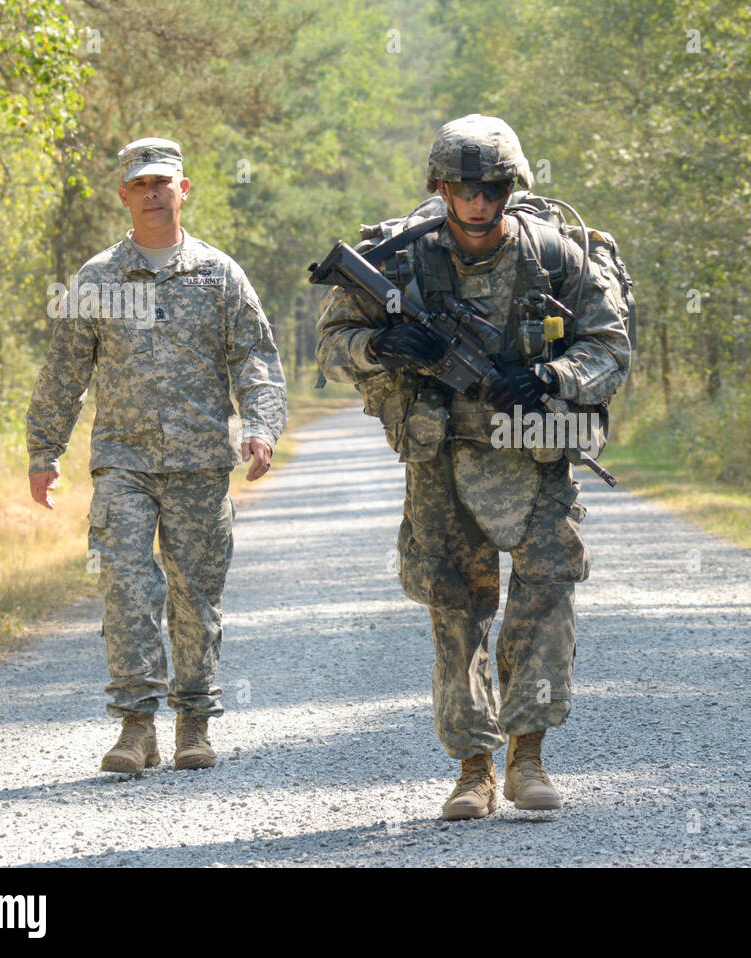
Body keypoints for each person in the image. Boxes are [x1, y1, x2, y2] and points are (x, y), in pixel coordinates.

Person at [315, 114, 630, 819]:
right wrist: (383, 347)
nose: (479, 203)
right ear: (441, 188)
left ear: (511, 189)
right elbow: (331, 347)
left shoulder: (556, 258)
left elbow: (610, 349)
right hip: (442, 457)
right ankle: (473, 771)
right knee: (456, 611)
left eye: (493, 189)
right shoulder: (400, 261)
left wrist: (549, 377)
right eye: (465, 190)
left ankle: (529, 759)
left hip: (535, 452)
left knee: (545, 598)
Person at [26, 137, 287, 773]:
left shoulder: (219, 274)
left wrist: (260, 426)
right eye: (140, 185)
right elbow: (64, 372)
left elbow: (255, 357)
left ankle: (193, 723)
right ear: (124, 195)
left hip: (201, 462)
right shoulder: (97, 279)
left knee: (195, 597)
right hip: (124, 461)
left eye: (162, 183)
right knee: (125, 584)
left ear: (183, 189)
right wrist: (44, 451)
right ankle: (136, 727)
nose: (152, 194)